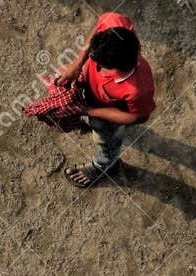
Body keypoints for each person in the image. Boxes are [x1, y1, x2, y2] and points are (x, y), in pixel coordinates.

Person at [52, 12, 155, 188]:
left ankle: (104, 165)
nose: (92, 63)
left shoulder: (138, 89)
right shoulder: (115, 26)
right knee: (90, 119)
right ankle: (88, 121)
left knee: (107, 139)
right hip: (91, 98)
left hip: (108, 116)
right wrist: (77, 65)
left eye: (100, 66)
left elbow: (137, 117)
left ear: (119, 69)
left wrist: (89, 111)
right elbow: (98, 29)